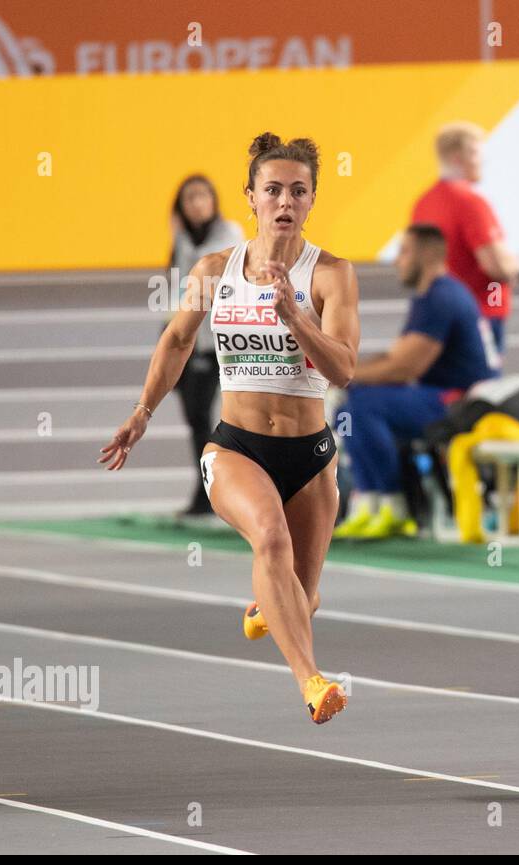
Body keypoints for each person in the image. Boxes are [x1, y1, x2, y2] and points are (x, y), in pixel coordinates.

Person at [100, 132, 360, 725]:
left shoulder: (333, 276)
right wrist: (142, 413)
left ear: (313, 199)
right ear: (250, 197)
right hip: (238, 446)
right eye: (273, 190)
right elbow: (176, 339)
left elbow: (344, 367)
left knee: (304, 595)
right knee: (269, 537)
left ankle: (272, 605)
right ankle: (313, 682)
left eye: (298, 190)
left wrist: (296, 316)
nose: (285, 201)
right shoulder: (215, 270)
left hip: (312, 455)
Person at [333, 224, 501, 539]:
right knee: (355, 401)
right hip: (444, 395)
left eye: (404, 252)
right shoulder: (431, 296)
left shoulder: (442, 297)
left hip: (466, 404)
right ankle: (367, 502)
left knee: (366, 405)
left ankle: (393, 506)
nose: (397, 261)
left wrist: (342, 374)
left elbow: (404, 368)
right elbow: (394, 357)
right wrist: (341, 369)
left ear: (426, 255)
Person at [410, 122, 519, 353]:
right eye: (476, 153)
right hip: (480, 313)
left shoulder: (423, 203)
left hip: (437, 314)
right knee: (482, 387)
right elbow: (496, 266)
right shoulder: (471, 202)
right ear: (457, 157)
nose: (482, 161)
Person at [166, 175, 243, 515]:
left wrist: (178, 234)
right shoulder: (183, 238)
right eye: (189, 198)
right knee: (196, 418)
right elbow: (177, 286)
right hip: (189, 340)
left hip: (221, 342)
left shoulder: (229, 233)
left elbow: (207, 271)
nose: (196, 203)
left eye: (202, 196)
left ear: (214, 201)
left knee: (223, 419)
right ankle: (207, 491)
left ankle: (220, 493)